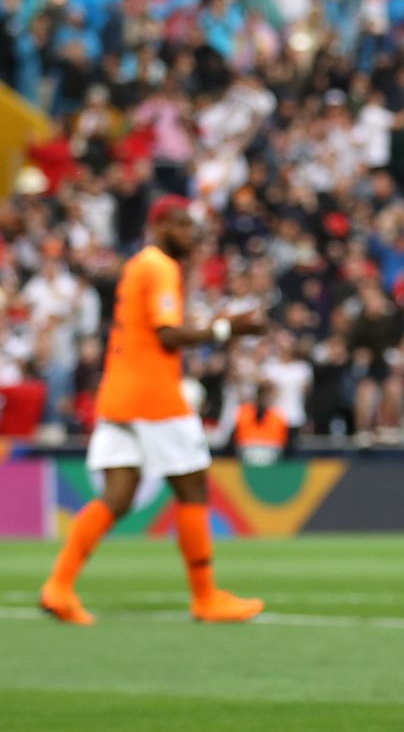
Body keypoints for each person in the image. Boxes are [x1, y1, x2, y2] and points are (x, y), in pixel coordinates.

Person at [39, 195, 267, 626]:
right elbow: (167, 335)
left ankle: (59, 586)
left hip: (119, 394)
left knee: (118, 497)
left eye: (192, 226)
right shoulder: (160, 266)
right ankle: (205, 597)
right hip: (153, 396)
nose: (190, 233)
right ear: (159, 226)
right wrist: (227, 328)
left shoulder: (140, 265)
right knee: (193, 487)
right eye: (180, 225)